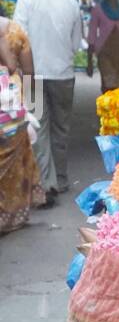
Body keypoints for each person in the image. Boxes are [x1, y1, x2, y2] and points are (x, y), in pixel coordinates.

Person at [13, 0, 83, 198]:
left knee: (39, 128)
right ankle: (61, 179)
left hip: (34, 76)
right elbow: (75, 46)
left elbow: (17, 37)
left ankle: (46, 182)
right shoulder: (72, 3)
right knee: (61, 129)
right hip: (63, 76)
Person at [0, 17, 46, 228]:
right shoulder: (14, 30)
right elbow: (25, 70)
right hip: (10, 101)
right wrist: (33, 105)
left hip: (7, 103)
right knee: (16, 162)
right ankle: (11, 216)